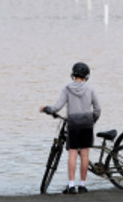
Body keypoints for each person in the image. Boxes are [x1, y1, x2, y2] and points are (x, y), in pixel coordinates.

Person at [40, 62, 101, 194]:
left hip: (73, 124)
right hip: (86, 124)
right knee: (85, 155)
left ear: (73, 74)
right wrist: (92, 120)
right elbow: (98, 109)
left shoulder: (67, 89)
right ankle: (83, 185)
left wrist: (46, 109)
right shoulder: (90, 90)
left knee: (72, 154)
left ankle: (71, 185)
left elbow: (57, 107)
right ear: (87, 76)